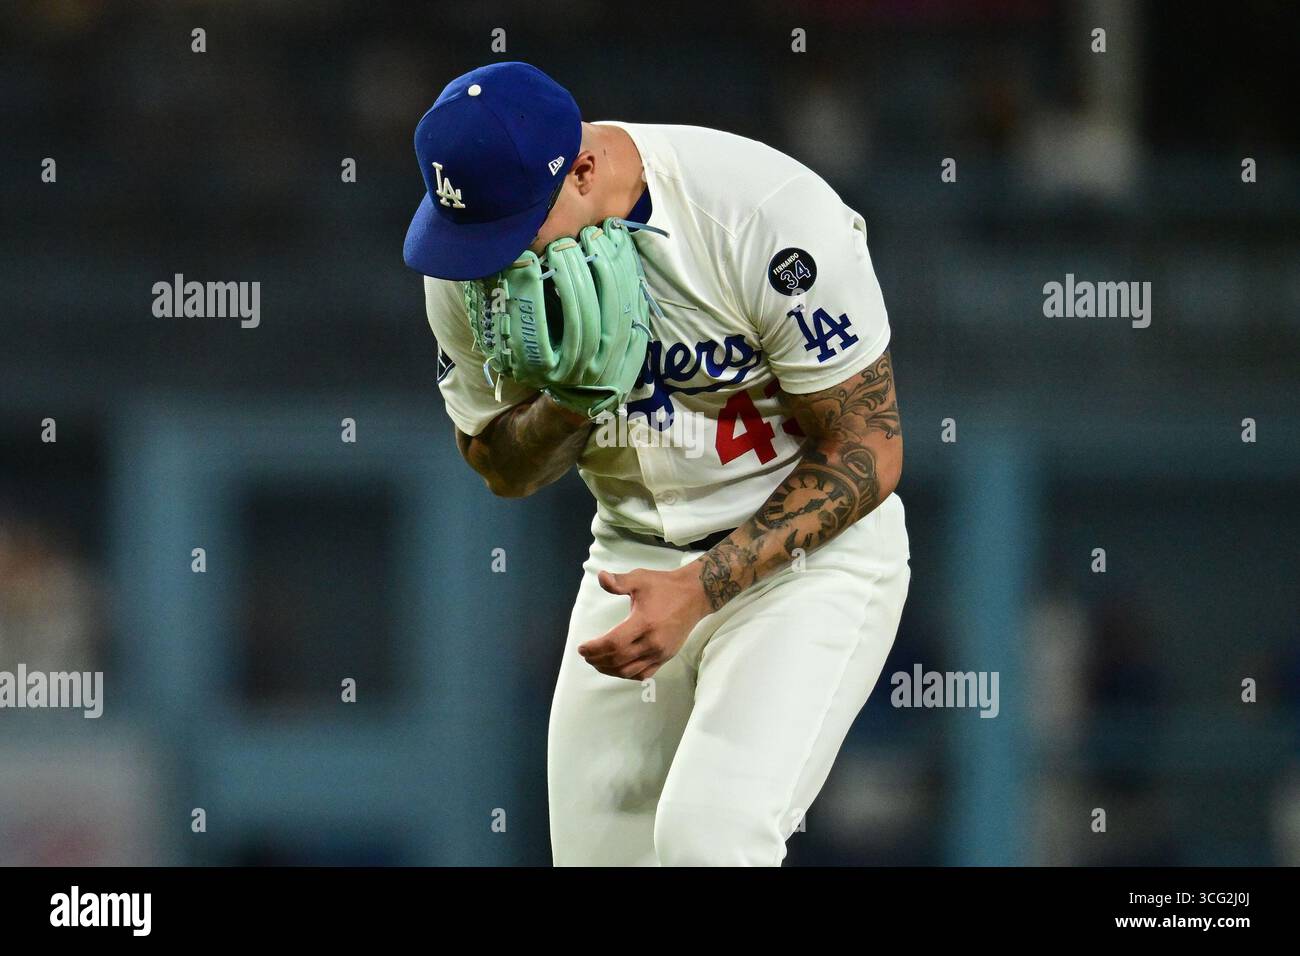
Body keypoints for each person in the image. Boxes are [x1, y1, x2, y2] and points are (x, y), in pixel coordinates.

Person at [404, 61, 910, 866]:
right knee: (599, 857)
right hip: (630, 559)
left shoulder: (761, 212)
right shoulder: (467, 262)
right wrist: (568, 405)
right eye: (471, 231)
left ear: (583, 169)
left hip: (806, 565)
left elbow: (870, 449)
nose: (487, 259)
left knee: (710, 840)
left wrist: (703, 588)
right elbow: (502, 469)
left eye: (513, 227)